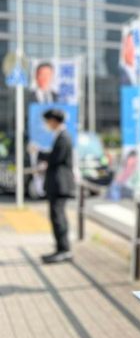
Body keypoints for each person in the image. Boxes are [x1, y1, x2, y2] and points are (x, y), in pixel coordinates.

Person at [38, 108, 75, 264]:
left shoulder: (63, 137)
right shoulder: (61, 136)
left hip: (60, 184)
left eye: (47, 121)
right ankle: (61, 249)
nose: (47, 124)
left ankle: (64, 250)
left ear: (53, 121)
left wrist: (40, 153)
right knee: (57, 216)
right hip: (58, 184)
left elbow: (56, 158)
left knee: (58, 217)